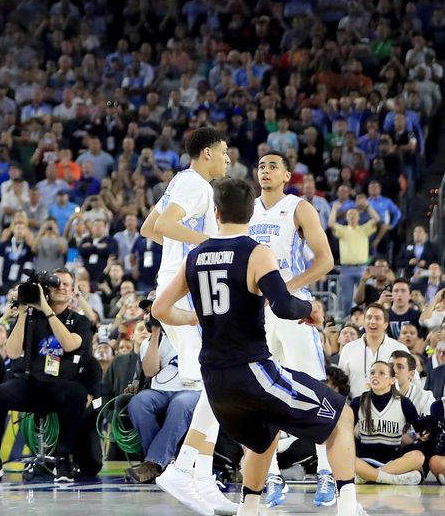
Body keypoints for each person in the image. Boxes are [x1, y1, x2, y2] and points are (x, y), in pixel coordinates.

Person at [153, 177, 364, 516]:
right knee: (341, 414)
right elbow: (282, 305)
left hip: (216, 381)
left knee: (262, 439)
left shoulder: (195, 257)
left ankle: (248, 510)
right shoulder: (255, 250)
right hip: (251, 371)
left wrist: (197, 318)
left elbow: (160, 310)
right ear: (252, 213)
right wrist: (311, 309)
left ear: (217, 213)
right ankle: (350, 509)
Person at [140, 127, 233, 514]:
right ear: (208, 152)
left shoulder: (181, 182)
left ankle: (201, 476)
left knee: (216, 386)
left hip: (180, 284)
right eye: (225, 153)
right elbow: (161, 228)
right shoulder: (196, 184)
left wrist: (183, 248)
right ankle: (184, 470)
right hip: (185, 289)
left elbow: (149, 227)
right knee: (218, 382)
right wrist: (208, 246)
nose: (228, 160)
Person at [247, 152, 338, 506]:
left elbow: (326, 260)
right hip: (257, 311)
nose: (265, 170)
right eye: (261, 166)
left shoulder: (298, 208)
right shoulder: (247, 209)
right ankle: (271, 479)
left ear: (286, 174)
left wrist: (284, 289)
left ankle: (328, 473)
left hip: (293, 306)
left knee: (314, 388)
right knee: (262, 394)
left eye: (272, 166)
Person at [0, 267, 93, 482]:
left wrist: (47, 310)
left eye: (67, 284)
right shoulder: (32, 317)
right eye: (57, 283)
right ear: (46, 289)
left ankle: (63, 459)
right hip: (30, 383)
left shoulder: (80, 321)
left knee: (77, 393)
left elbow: (68, 344)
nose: (62, 287)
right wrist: (22, 313)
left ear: (72, 292)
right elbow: (12, 352)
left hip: (61, 386)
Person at [125, 303, 201, 485]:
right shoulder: (150, 341)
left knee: (181, 404)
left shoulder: (197, 332)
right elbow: (150, 372)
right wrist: (156, 332)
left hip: (193, 389)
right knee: (139, 403)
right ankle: (162, 464)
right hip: (160, 390)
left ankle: (153, 463)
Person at [348, 361, 425, 485]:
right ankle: (392, 479)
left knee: (418, 456)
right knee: (345, 456)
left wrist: (417, 435)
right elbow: (345, 430)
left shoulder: (404, 403)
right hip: (363, 461)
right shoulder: (358, 402)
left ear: (392, 380)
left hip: (394, 462)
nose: (375, 376)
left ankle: (368, 477)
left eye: (381, 373)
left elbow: (420, 430)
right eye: (372, 372)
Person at [337, 303, 405, 396]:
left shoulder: (399, 348)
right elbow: (341, 384)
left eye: (377, 318)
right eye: (369, 318)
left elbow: (411, 382)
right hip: (356, 407)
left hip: (391, 407)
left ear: (386, 324)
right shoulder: (348, 349)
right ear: (364, 322)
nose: (372, 321)